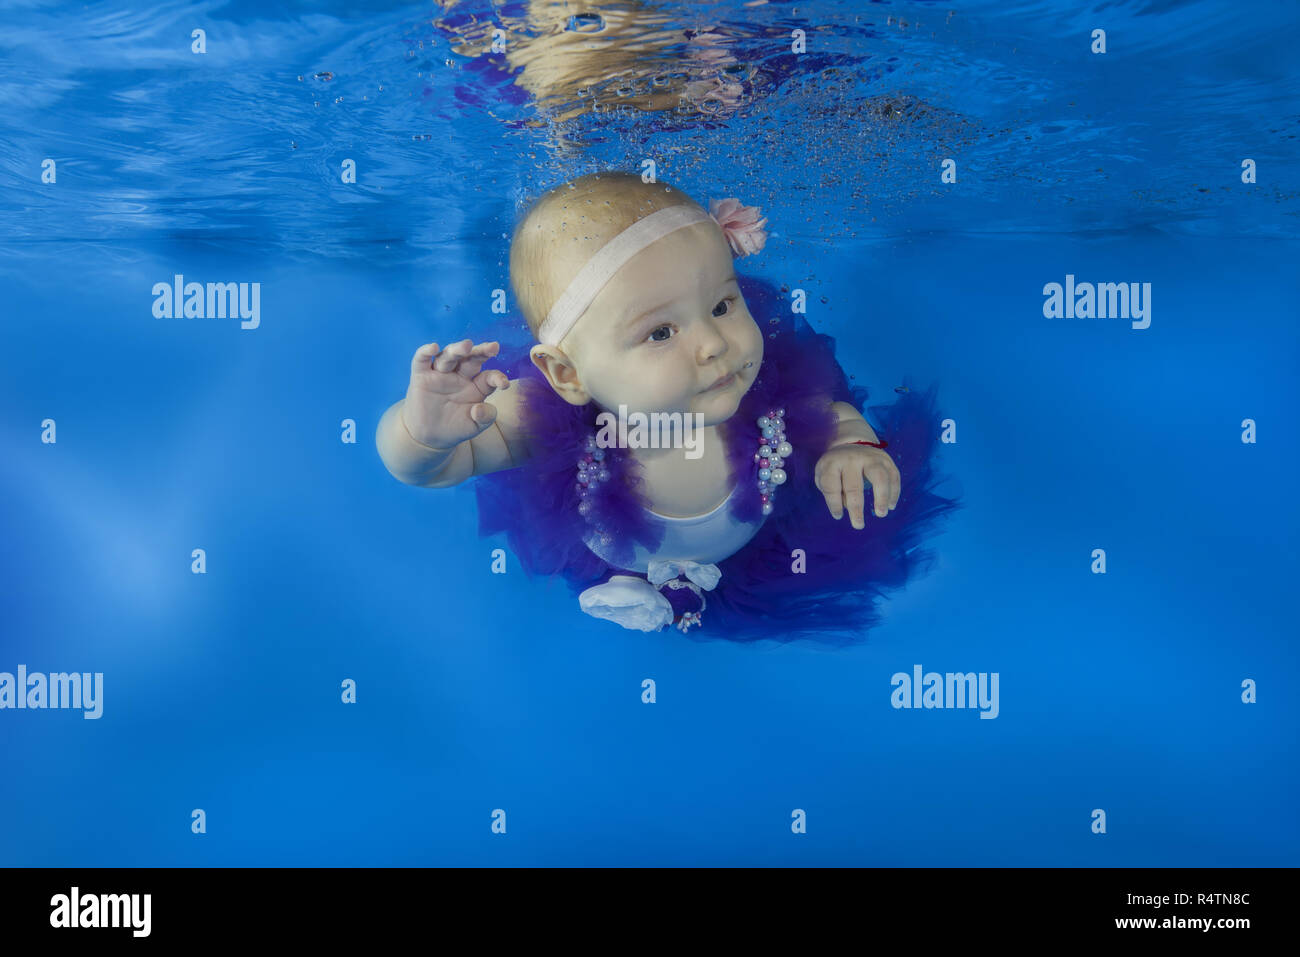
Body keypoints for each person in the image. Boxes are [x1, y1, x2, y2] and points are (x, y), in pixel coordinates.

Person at [376, 171, 959, 642]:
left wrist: (852, 444)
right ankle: (631, 585)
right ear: (568, 373)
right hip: (619, 551)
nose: (713, 343)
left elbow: (827, 412)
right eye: (659, 333)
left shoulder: (763, 394)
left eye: (724, 304)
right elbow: (432, 469)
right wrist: (423, 434)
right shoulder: (541, 419)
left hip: (753, 543)